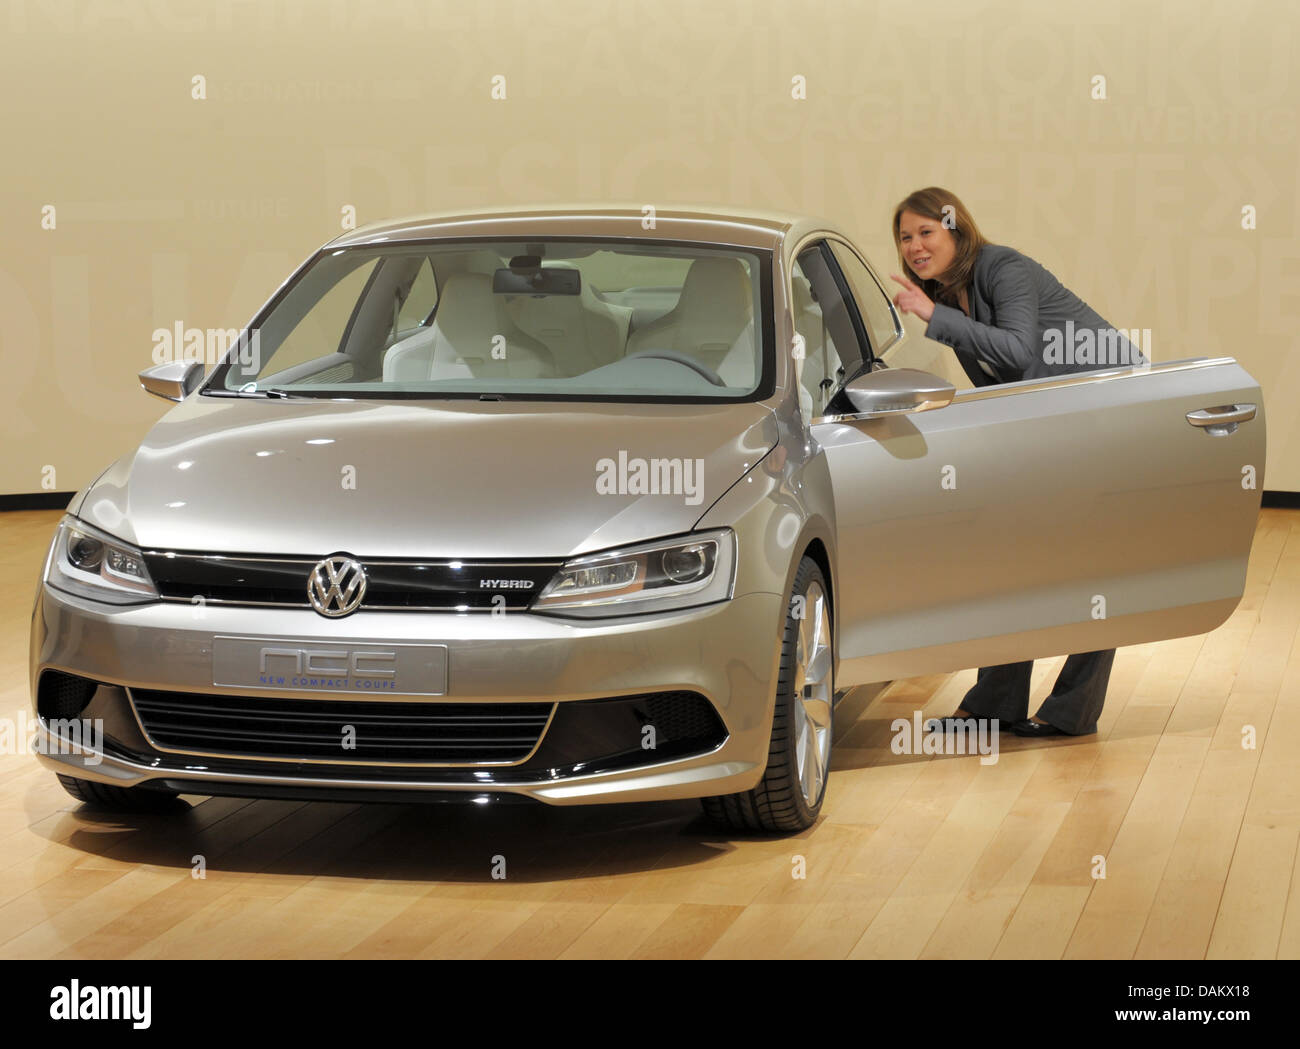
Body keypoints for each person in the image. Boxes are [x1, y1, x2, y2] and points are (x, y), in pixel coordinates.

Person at [886, 186, 1143, 738]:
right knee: (1016, 556)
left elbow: (1019, 351)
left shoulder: (1004, 269)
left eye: (926, 232)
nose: (914, 246)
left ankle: (1068, 712)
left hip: (1112, 422)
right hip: (1058, 430)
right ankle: (995, 704)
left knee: (1093, 569)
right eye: (905, 237)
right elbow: (1001, 385)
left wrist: (931, 315)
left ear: (957, 230)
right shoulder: (949, 296)